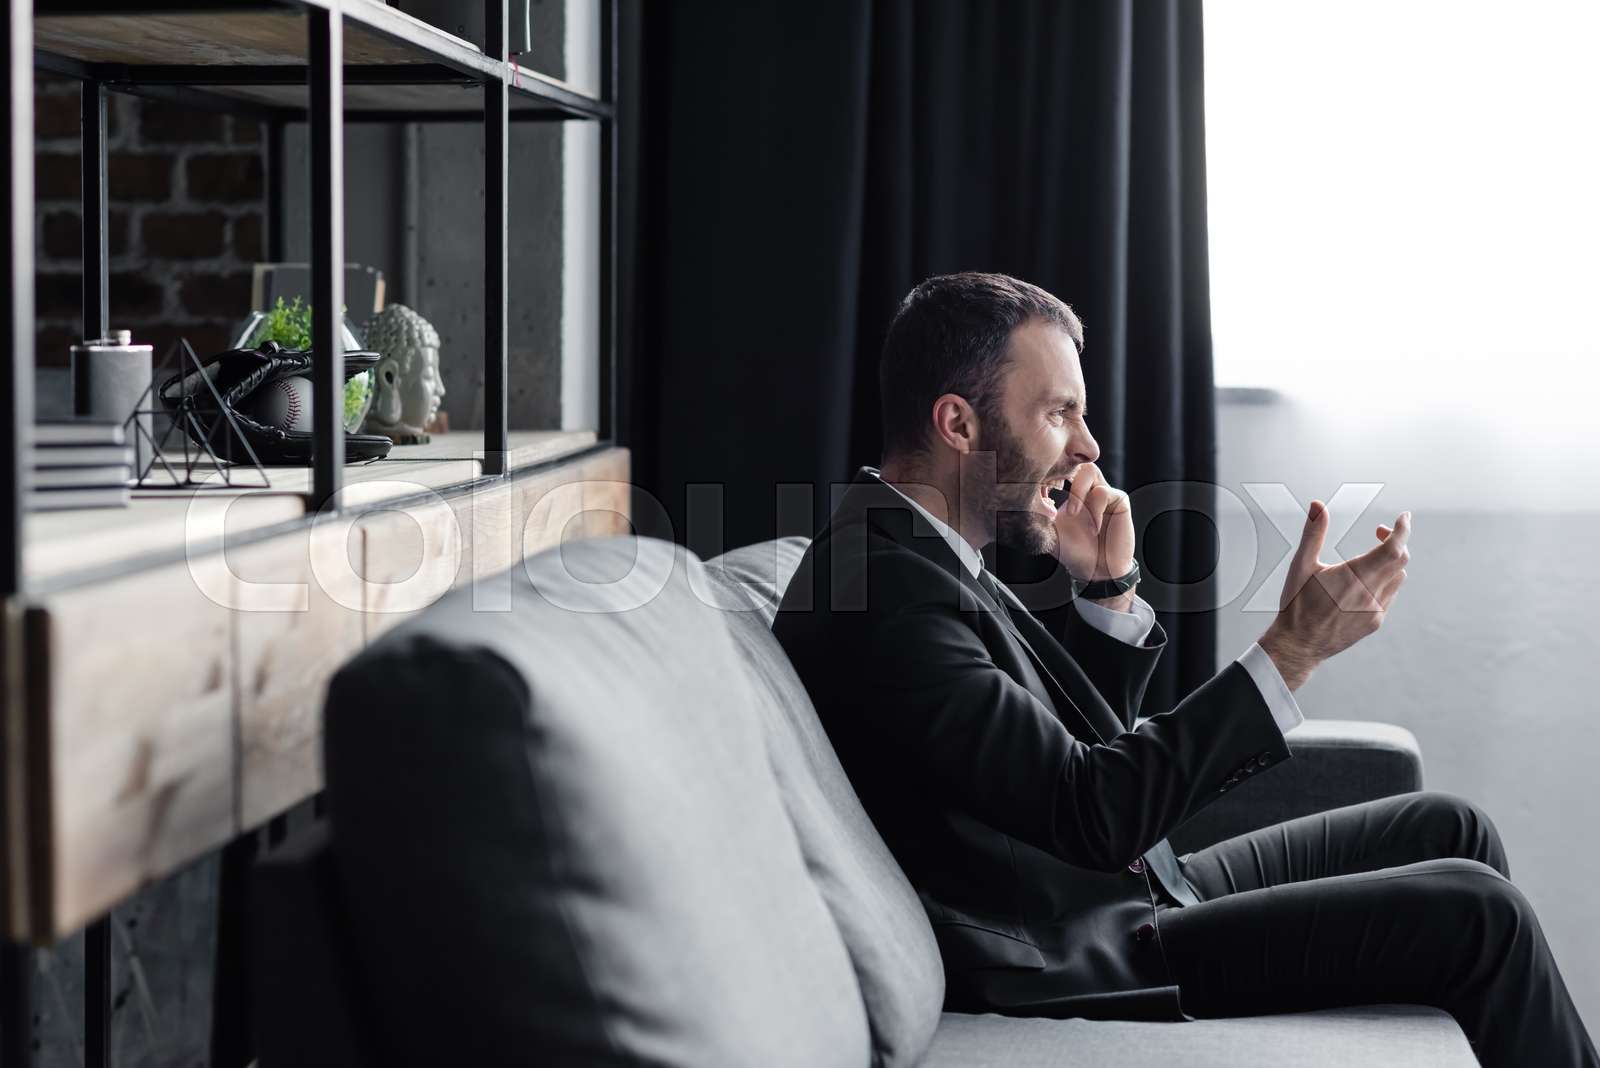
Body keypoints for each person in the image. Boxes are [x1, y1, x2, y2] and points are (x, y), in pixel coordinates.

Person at [771, 272, 1597, 1068]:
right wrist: (1293, 650)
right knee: (1480, 912)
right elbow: (1090, 811)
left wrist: (1108, 590)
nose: (1088, 447)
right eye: (1059, 413)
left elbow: (1059, 762)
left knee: (1450, 827)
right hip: (1075, 950)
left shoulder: (919, 553)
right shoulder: (885, 589)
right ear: (958, 423)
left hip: (1115, 892)